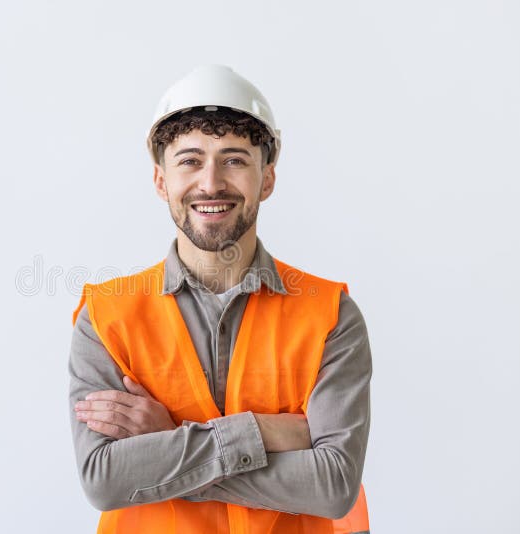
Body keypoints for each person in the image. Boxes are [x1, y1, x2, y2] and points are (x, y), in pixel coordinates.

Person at [68, 64, 372, 534]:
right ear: (160, 181)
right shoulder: (106, 318)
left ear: (266, 179)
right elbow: (104, 480)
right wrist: (264, 434)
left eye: (234, 159)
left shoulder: (330, 315)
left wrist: (167, 445)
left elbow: (333, 484)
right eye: (190, 160)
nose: (211, 183)